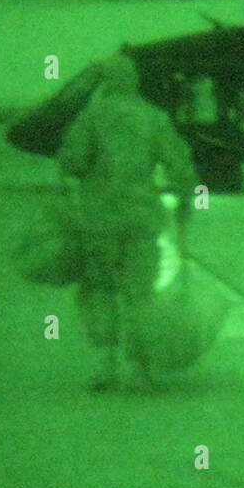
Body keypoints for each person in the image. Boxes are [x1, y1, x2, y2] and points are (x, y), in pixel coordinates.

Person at [57, 54, 197, 392]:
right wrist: (181, 208)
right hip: (141, 220)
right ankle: (140, 368)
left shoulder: (91, 117)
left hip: (98, 220)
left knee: (100, 289)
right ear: (134, 81)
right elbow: (181, 169)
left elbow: (71, 161)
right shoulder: (154, 118)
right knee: (140, 294)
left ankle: (106, 365)